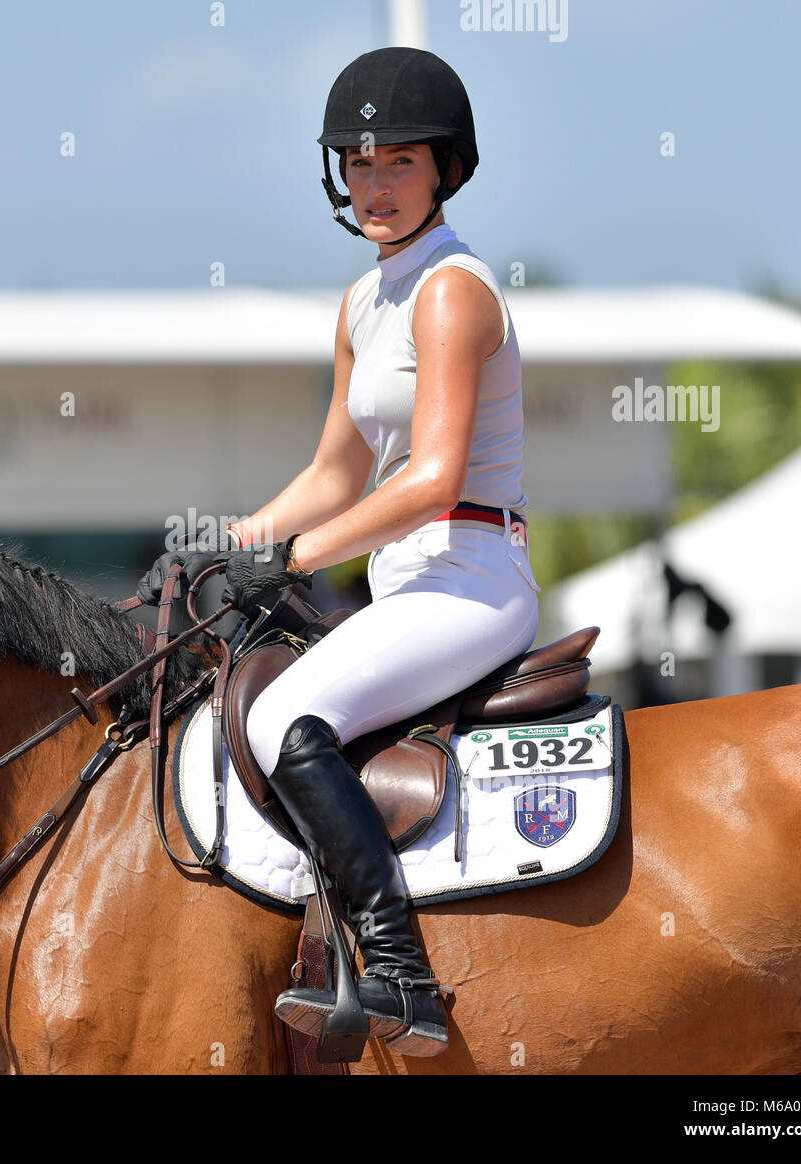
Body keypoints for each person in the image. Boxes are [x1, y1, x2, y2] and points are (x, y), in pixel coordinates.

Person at [138, 47, 541, 1056]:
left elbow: (432, 479)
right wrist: (222, 549)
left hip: (472, 576)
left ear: (443, 169)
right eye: (356, 166)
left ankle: (398, 970)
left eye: (397, 163)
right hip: (405, 583)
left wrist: (301, 558)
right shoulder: (365, 303)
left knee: (284, 715)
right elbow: (332, 470)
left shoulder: (453, 291)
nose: (374, 186)